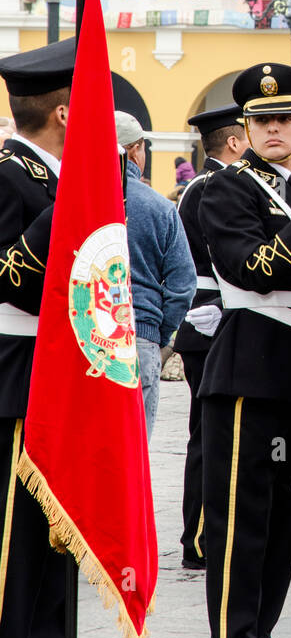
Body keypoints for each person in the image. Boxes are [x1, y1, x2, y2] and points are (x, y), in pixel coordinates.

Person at [196, 61, 291, 638]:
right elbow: (256, 268)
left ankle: (261, 637)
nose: (273, 129)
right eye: (261, 120)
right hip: (249, 366)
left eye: (285, 119)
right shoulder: (227, 189)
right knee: (242, 520)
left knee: (280, 524)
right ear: (245, 128)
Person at [0, 36, 77, 638]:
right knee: (15, 549)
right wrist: (67, 206)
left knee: (56, 545)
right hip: (16, 375)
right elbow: (7, 278)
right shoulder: (5, 173)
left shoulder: (58, 179)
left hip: (65, 376)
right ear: (64, 115)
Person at [173, 105, 247, 570]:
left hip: (213, 316)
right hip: (208, 318)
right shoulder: (211, 187)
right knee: (207, 435)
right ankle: (198, 536)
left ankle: (208, 532)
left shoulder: (203, 185)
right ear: (236, 142)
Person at [114, 113, 196, 442]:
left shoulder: (72, 196)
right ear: (135, 150)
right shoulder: (159, 206)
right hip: (141, 336)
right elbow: (182, 285)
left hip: (85, 338)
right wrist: (158, 333)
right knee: (133, 452)